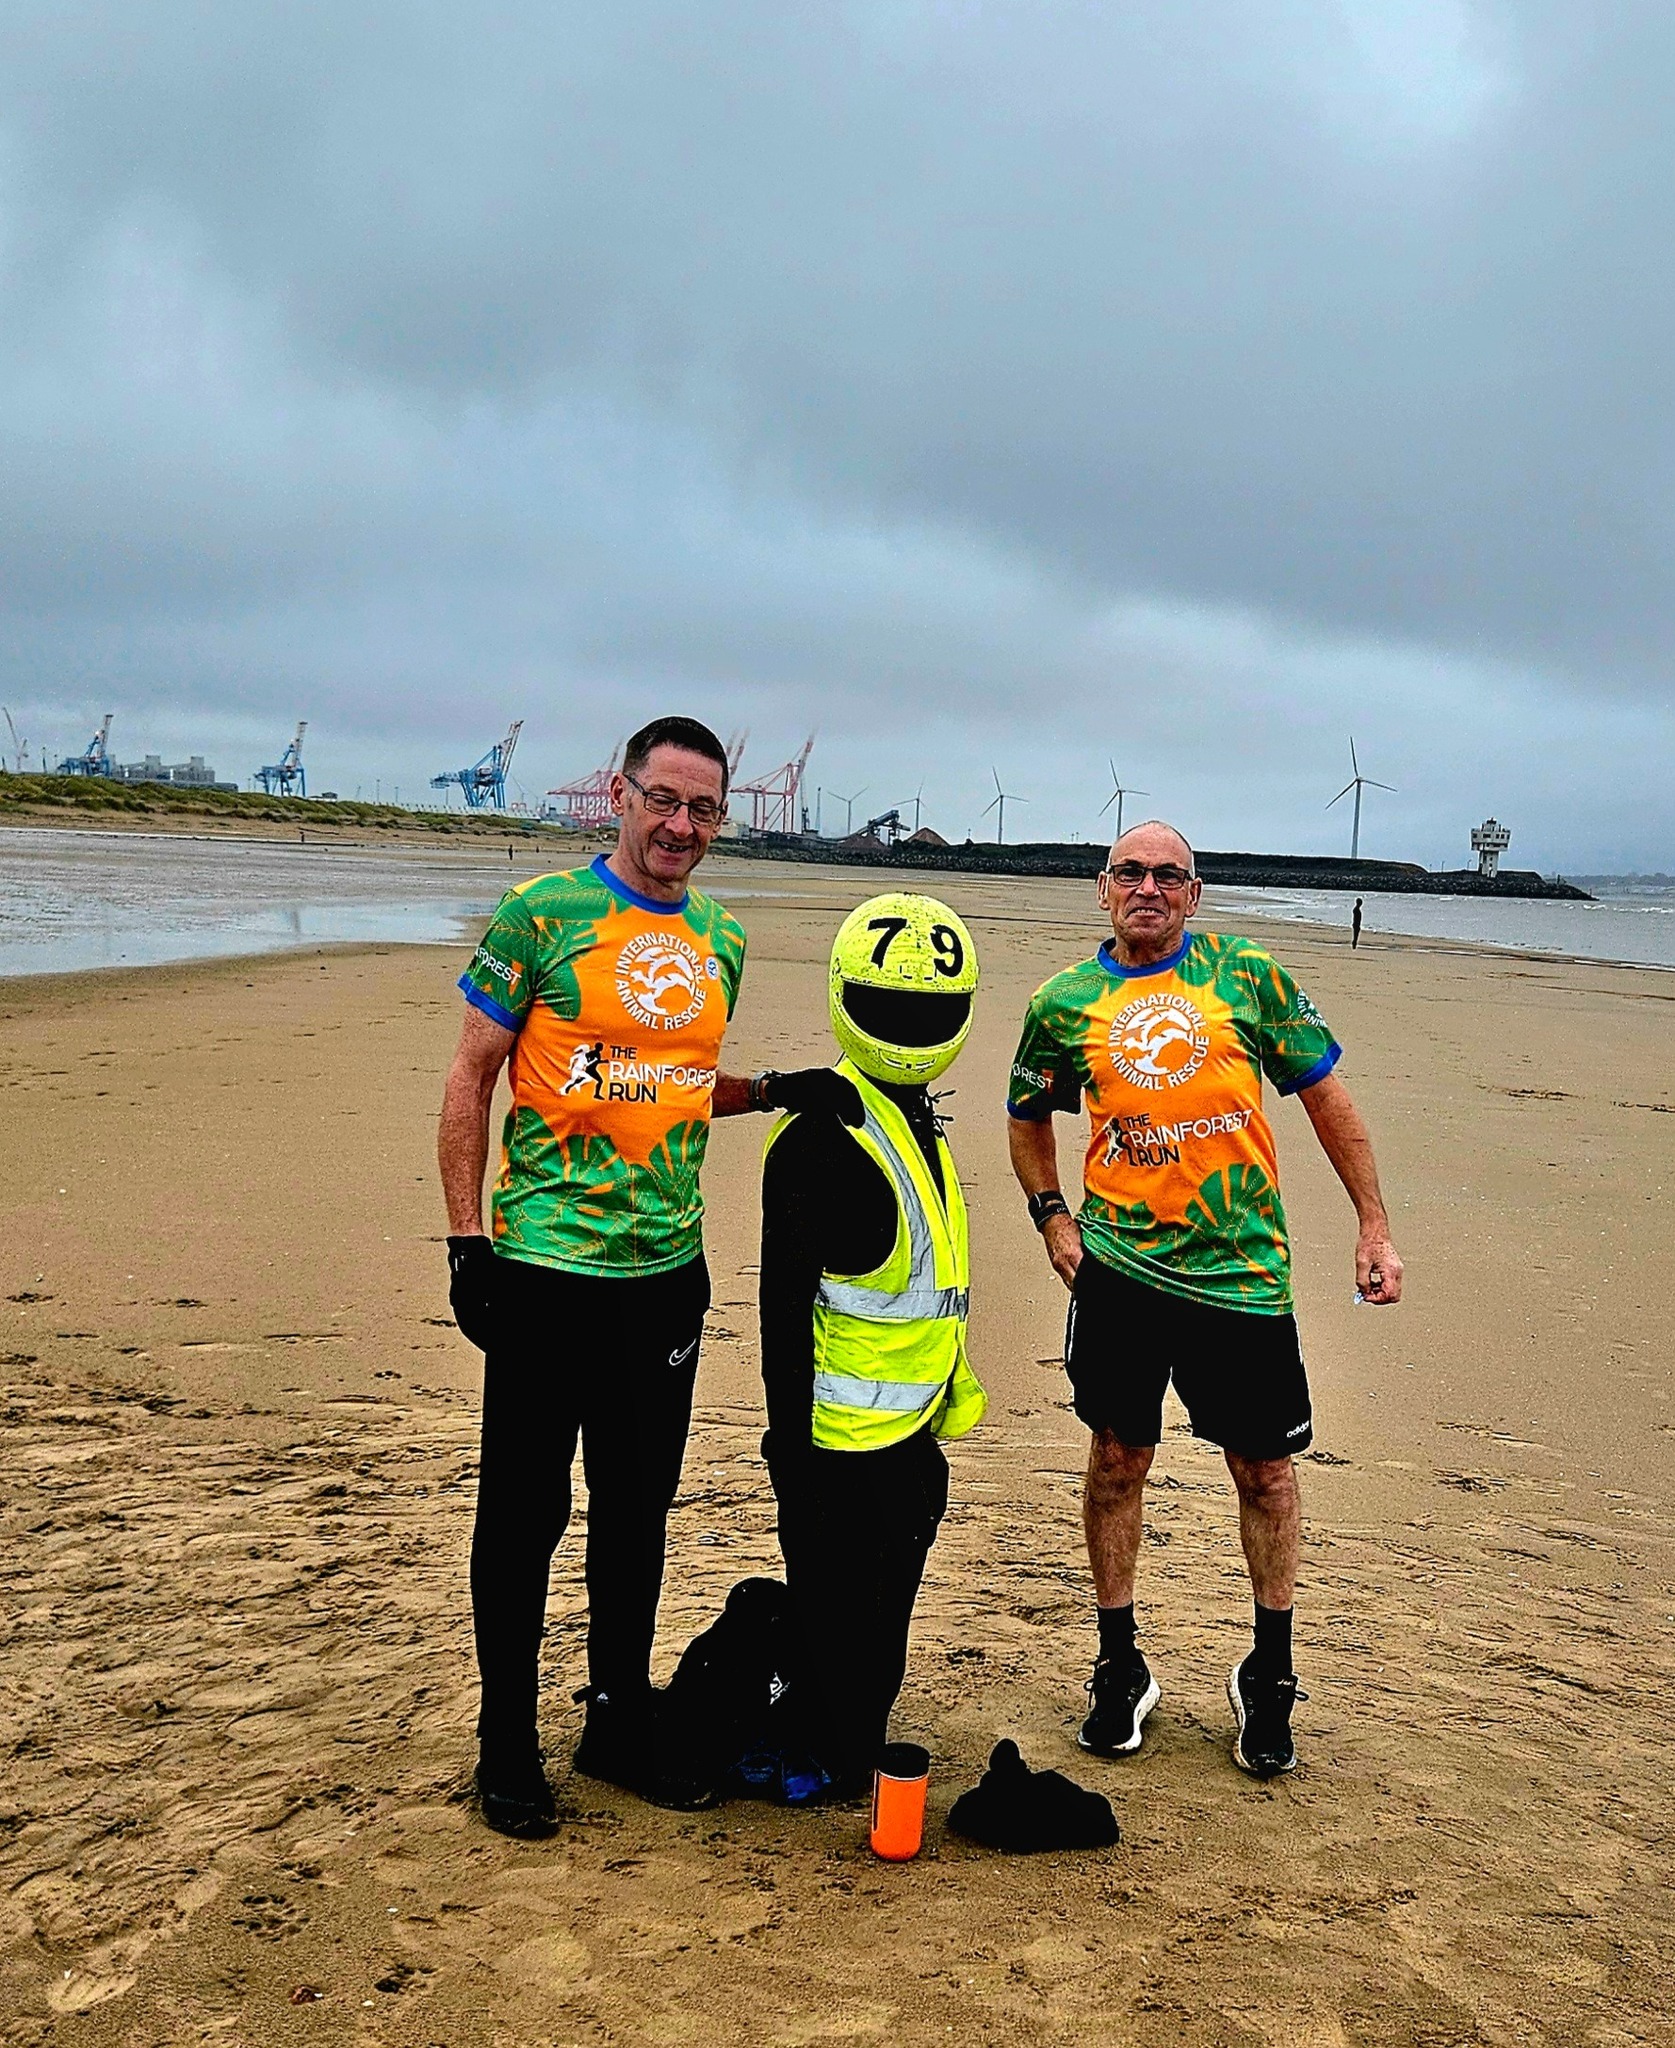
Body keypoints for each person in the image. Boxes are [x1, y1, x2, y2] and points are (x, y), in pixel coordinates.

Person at [437, 714, 860, 1837]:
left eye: (703, 808)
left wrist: (769, 1088)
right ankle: (506, 1739)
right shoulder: (543, 914)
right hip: (541, 1268)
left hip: (664, 1275)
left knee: (636, 1512)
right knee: (522, 1514)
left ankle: (616, 1717)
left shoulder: (718, 936)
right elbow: (473, 1074)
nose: (681, 824)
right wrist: (466, 1241)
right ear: (620, 795)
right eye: (663, 799)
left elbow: (669, 1078)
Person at [1007, 821, 1402, 1778]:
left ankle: (1268, 1675)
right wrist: (1054, 1221)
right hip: (1122, 1277)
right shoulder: (1062, 1003)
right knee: (1115, 1458)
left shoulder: (1247, 977)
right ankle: (1118, 1664)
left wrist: (1372, 1226)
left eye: (1168, 876)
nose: (1148, 887)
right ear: (1103, 889)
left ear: (1195, 894)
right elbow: (1026, 1118)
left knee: (1264, 1472)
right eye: (1131, 873)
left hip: (1241, 1277)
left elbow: (1324, 1100)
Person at [759, 893, 986, 1796]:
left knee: (875, 1611)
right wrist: (789, 1448)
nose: (916, 1022)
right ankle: (833, 1746)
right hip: (839, 1441)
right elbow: (781, 1311)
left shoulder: (899, 1116)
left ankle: (848, 1738)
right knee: (843, 1610)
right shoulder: (826, 1138)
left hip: (903, 1431)